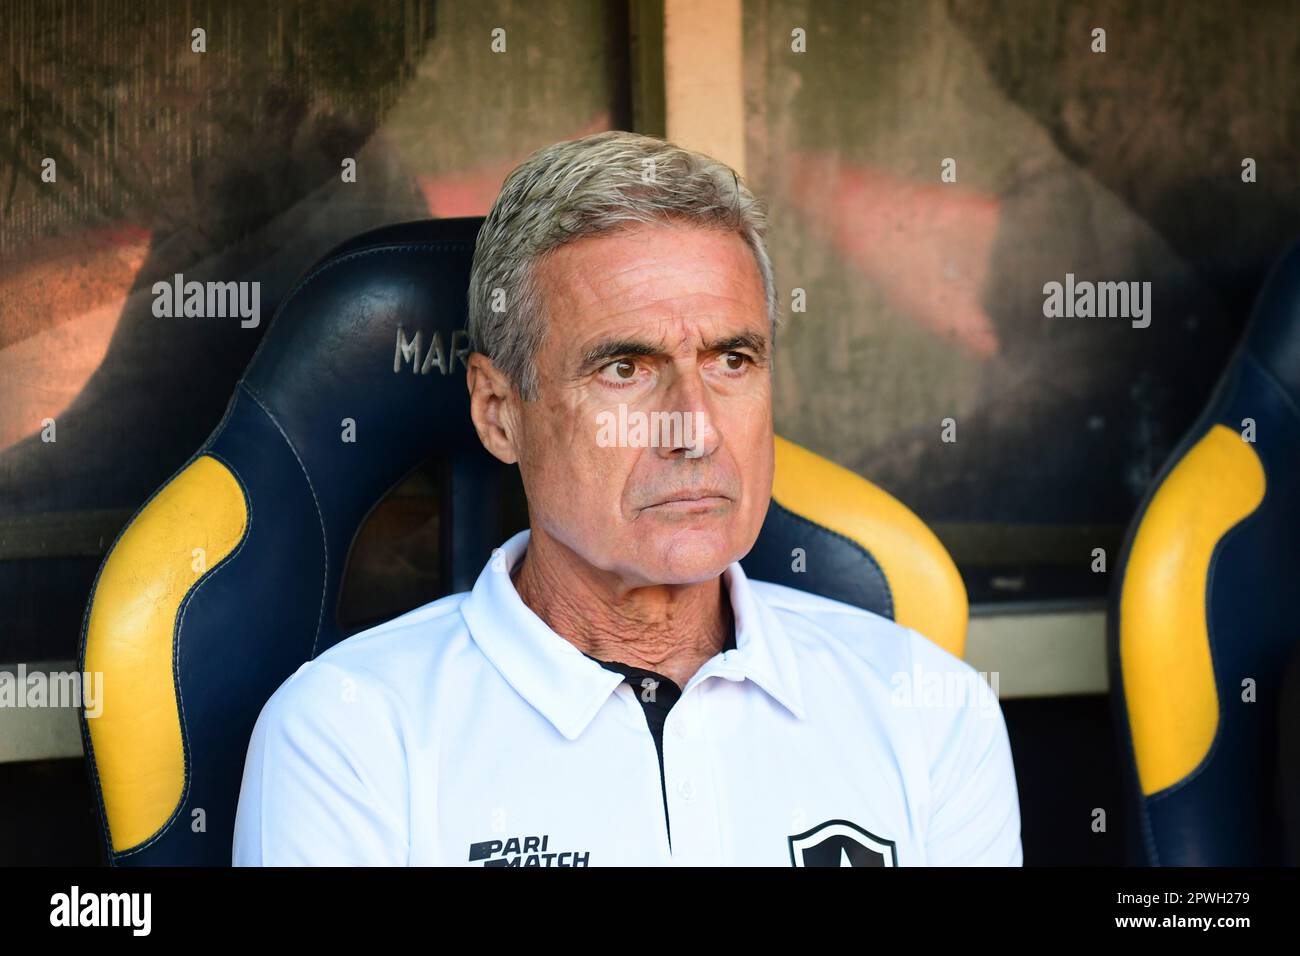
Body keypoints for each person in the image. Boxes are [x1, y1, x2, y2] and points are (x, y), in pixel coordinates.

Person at [232, 130, 1022, 866]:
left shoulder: (930, 713)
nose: (696, 429)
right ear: (499, 411)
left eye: (733, 360)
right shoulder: (350, 736)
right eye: (625, 369)